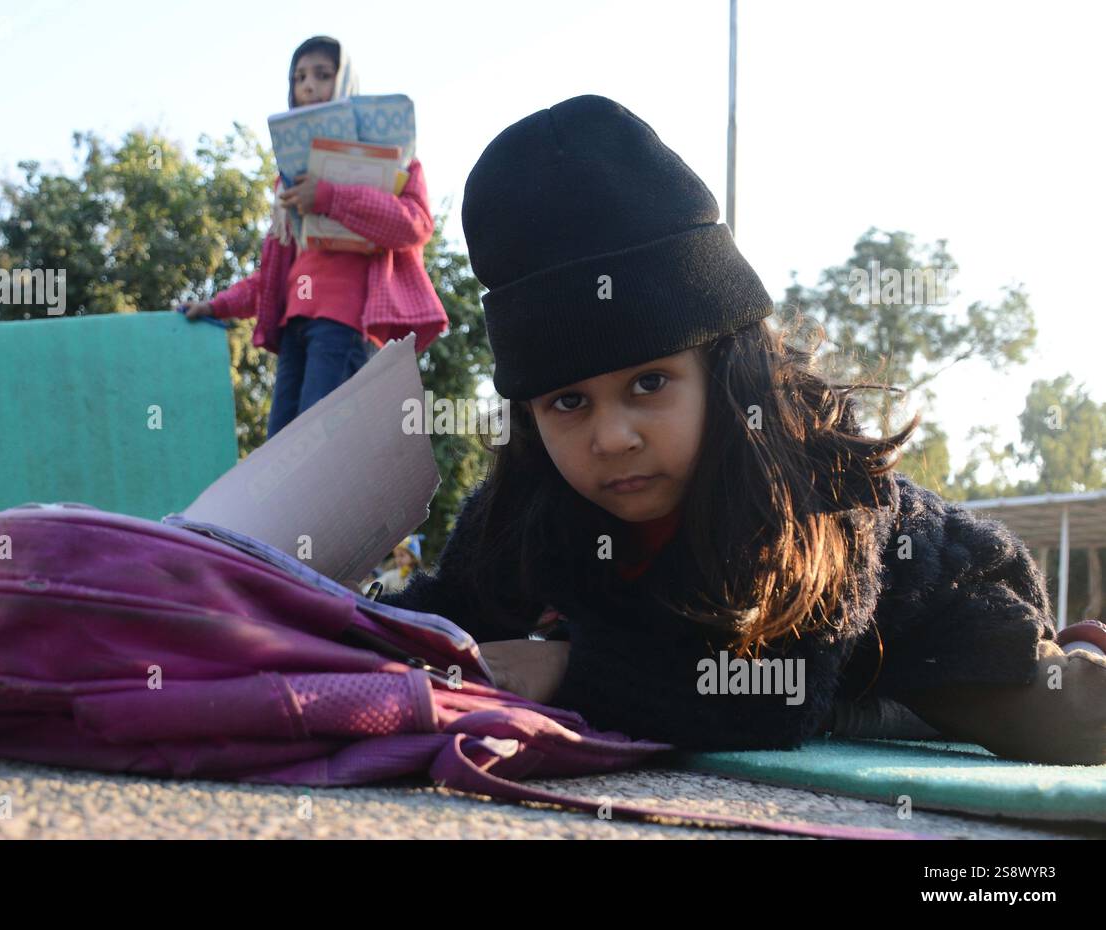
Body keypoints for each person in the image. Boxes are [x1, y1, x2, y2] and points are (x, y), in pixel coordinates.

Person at [378, 95, 1106, 765]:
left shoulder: (810, 475)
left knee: (1061, 724)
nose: (613, 437)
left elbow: (777, 693)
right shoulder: (531, 497)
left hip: (925, 622)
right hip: (748, 662)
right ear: (530, 417)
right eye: (569, 402)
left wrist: (569, 669)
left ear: (724, 369)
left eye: (649, 384)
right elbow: (446, 609)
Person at [183, 35, 448, 437]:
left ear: (345, 83)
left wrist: (327, 196)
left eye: (322, 75)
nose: (307, 85)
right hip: (295, 328)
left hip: (345, 324)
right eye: (299, 77)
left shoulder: (395, 158)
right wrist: (215, 305)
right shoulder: (289, 182)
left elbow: (414, 225)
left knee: (316, 448)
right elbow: (270, 278)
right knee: (281, 449)